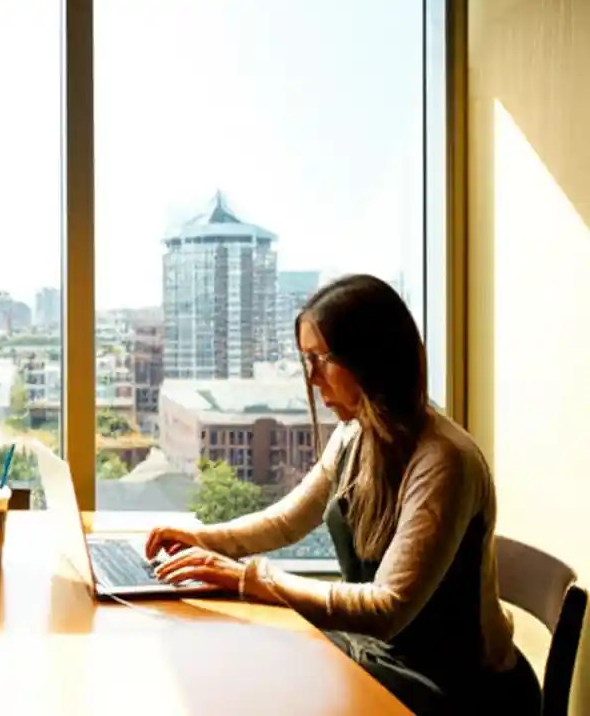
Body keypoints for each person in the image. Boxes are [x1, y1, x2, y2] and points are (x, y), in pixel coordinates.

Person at [145, 274, 540, 715]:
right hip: (386, 658)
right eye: (305, 360)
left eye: (321, 359)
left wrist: (248, 579)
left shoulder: (444, 460)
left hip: (460, 690)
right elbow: (287, 521)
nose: (312, 379)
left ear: (371, 358)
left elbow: (385, 608)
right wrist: (201, 541)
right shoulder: (354, 435)